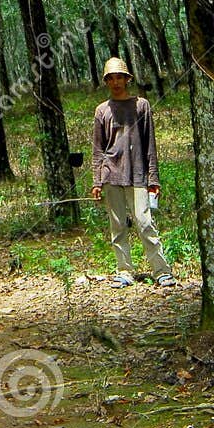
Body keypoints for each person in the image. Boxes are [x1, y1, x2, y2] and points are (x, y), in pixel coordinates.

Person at [90, 57, 175, 290]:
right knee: (118, 227)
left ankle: (161, 271)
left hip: (138, 173)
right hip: (111, 175)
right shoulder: (102, 110)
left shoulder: (141, 106)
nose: (116, 82)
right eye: (111, 78)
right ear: (106, 82)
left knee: (145, 222)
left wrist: (153, 178)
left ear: (128, 79)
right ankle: (124, 271)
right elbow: (98, 149)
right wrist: (97, 181)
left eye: (120, 77)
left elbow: (150, 145)